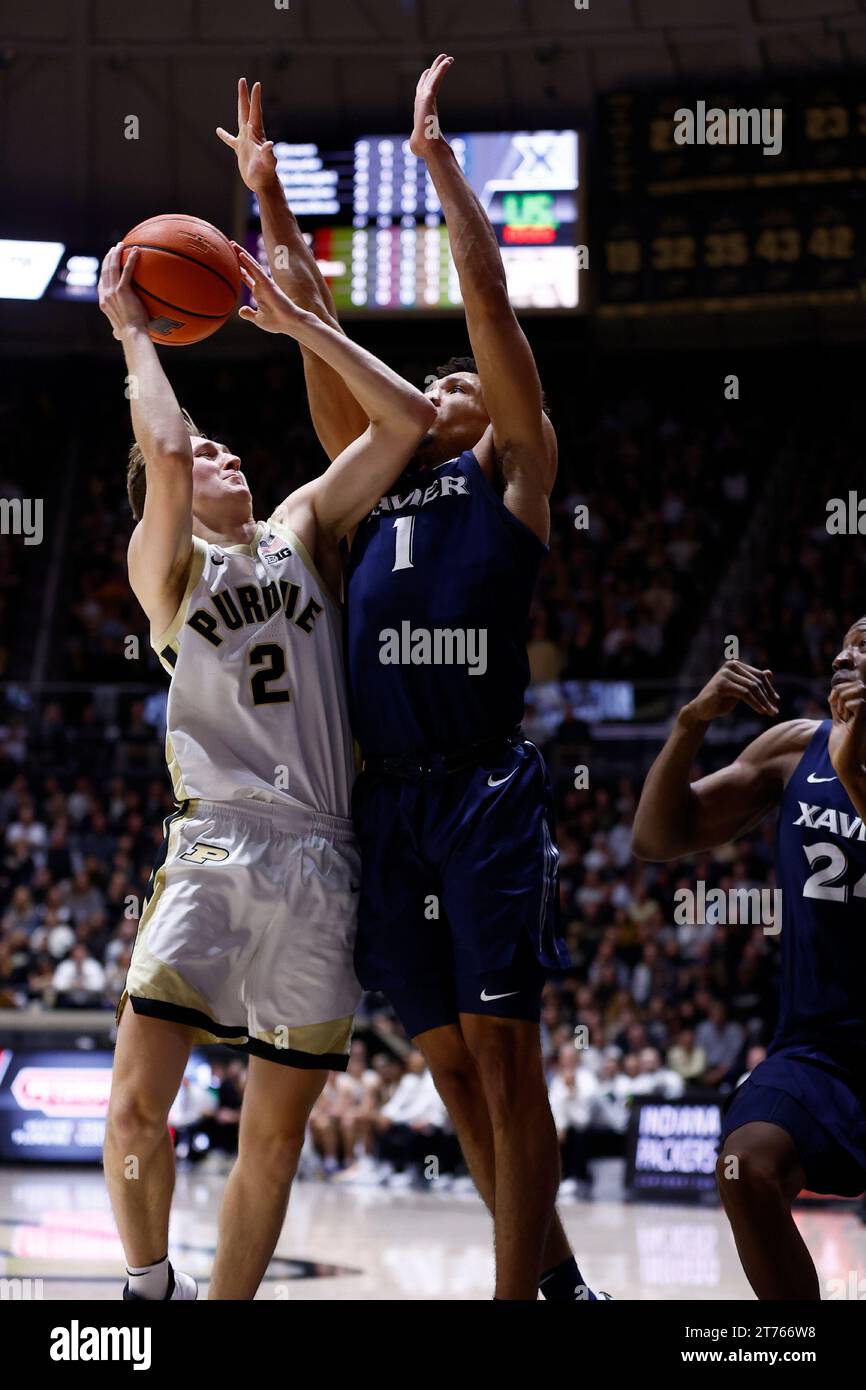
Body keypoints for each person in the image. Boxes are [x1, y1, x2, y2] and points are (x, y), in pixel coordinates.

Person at [218, 64, 604, 1302]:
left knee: (505, 1059)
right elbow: (312, 323)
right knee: (445, 1070)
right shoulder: (372, 474)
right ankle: (548, 1281)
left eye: (454, 384)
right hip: (382, 804)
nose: (440, 390)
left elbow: (489, 302)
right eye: (426, 383)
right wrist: (271, 201)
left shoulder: (514, 474)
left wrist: (440, 170)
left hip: (481, 793)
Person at [98, 239, 434, 1301]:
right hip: (218, 844)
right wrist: (133, 332)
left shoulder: (297, 528)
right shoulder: (167, 568)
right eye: (205, 455)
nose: (221, 456)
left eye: (230, 448)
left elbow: (407, 424)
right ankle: (149, 1289)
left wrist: (300, 325)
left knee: (275, 1138)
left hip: (322, 859)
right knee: (134, 1105)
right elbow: (158, 448)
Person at [633, 643, 866, 1299]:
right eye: (846, 641)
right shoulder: (796, 748)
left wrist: (854, 770)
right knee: (745, 1165)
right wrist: (690, 722)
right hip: (817, 1050)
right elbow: (657, 838)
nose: (847, 652)